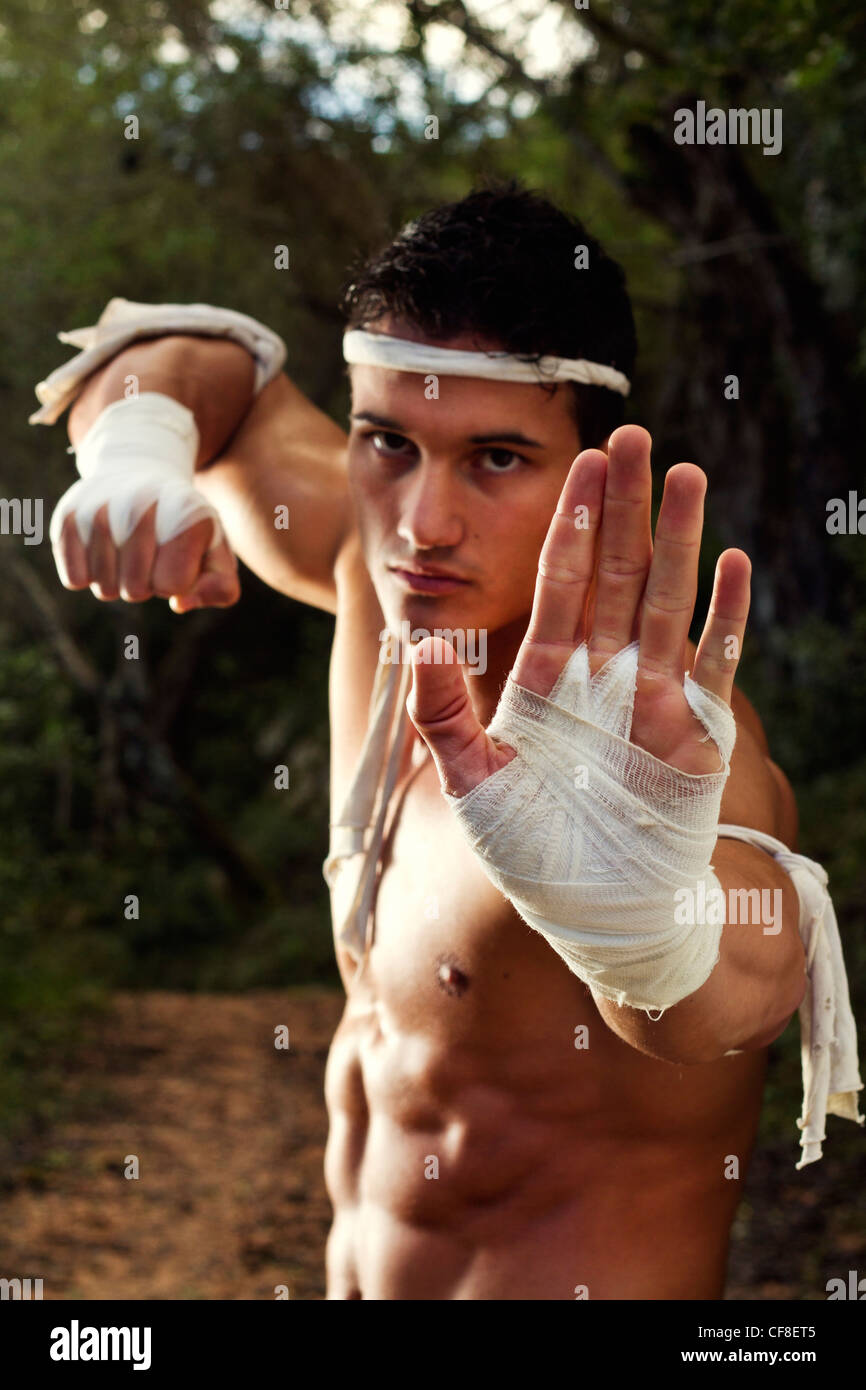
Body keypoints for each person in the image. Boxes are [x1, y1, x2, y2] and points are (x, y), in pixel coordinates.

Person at [35, 182, 862, 1300]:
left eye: (496, 458)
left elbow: (747, 970)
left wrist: (649, 917)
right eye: (387, 441)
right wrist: (136, 445)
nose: (422, 522)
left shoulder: (647, 744)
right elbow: (182, 350)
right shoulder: (372, 568)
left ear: (595, 469)